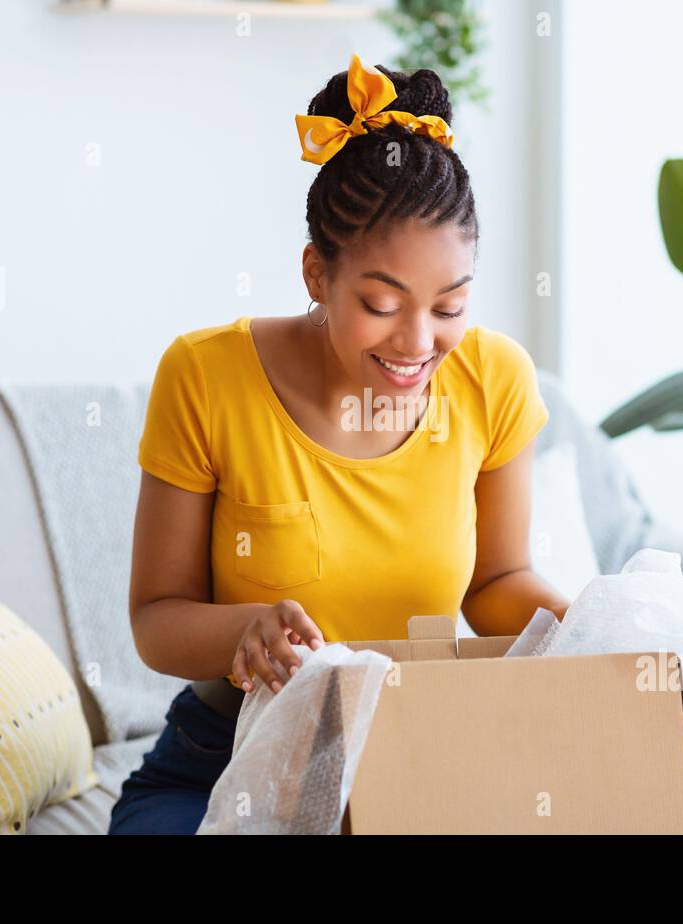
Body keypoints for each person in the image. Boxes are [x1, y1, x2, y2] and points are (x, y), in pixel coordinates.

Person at [107, 53, 569, 835]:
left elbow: (497, 582)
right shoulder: (206, 375)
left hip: (417, 749)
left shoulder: (495, 379)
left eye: (450, 306)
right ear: (317, 273)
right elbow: (156, 618)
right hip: (227, 755)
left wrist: (588, 623)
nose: (419, 343)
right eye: (382, 303)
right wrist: (240, 632)